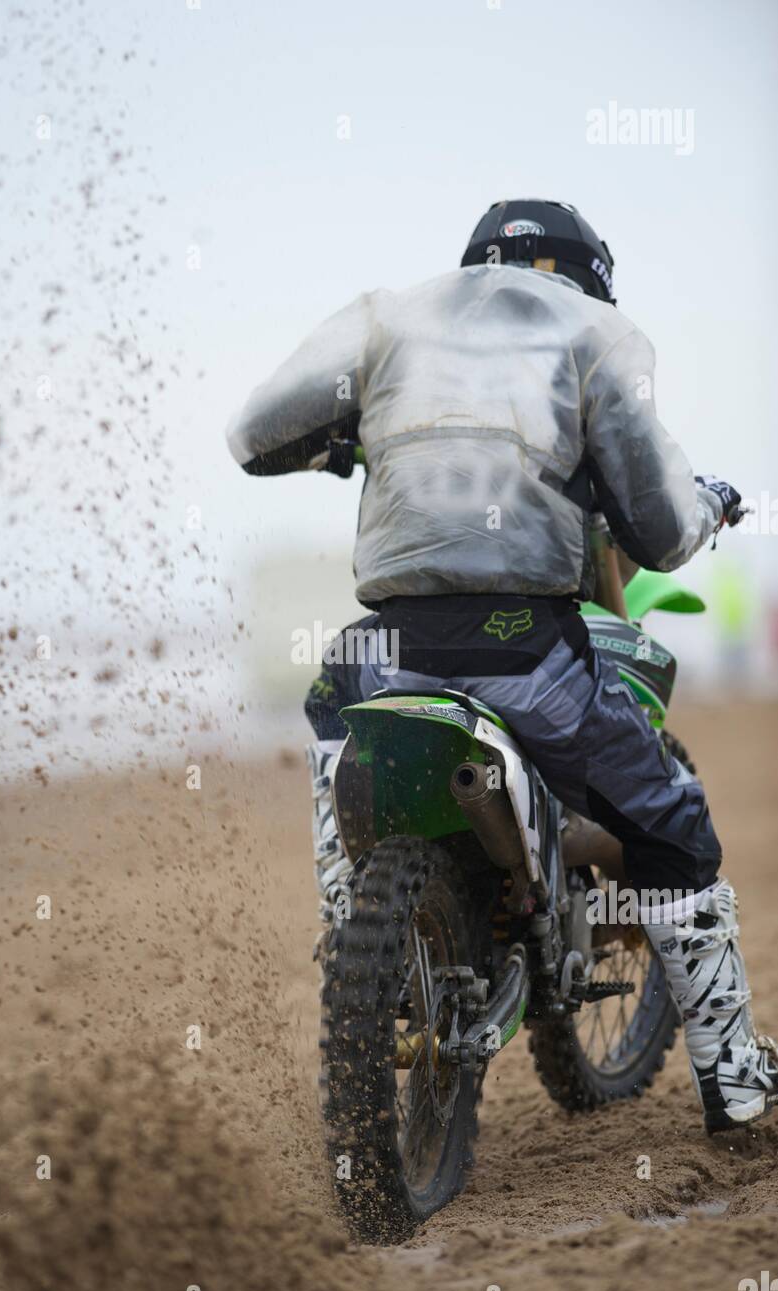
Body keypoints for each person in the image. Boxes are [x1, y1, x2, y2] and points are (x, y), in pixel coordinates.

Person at [226, 197, 777, 1133]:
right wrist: (712, 503)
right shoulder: (597, 333)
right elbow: (658, 527)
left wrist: (356, 438)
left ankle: (350, 925)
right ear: (586, 275)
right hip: (522, 650)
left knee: (329, 710)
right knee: (673, 826)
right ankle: (735, 1083)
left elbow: (254, 438)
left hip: (376, 655)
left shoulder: (386, 318)